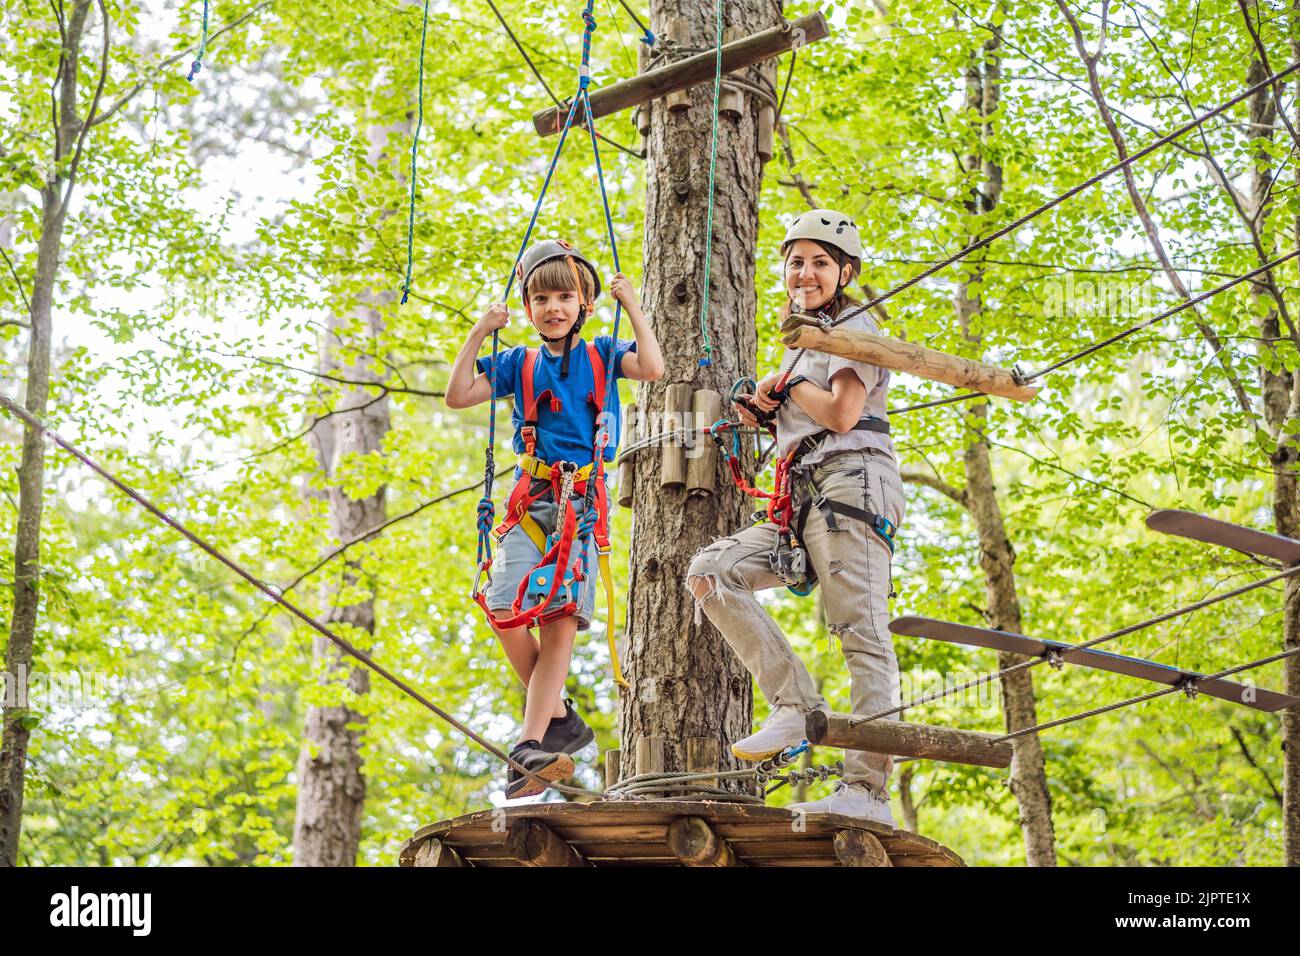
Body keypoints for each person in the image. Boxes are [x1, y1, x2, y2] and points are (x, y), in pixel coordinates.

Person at [685, 210, 905, 825]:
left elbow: (840, 413)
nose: (805, 273)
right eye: (796, 261)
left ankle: (867, 791)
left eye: (821, 262)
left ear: (845, 272)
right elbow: (807, 414)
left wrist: (783, 388)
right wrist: (768, 409)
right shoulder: (804, 341)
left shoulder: (853, 326)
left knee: (860, 630)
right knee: (711, 572)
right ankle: (795, 705)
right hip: (804, 491)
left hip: (852, 483)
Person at [445, 239, 664, 798]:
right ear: (526, 306)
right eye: (540, 298)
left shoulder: (602, 355)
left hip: (580, 505)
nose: (552, 307)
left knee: (559, 621)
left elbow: (654, 367)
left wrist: (632, 303)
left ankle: (530, 743)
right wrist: (478, 331)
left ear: (584, 304)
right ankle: (560, 719)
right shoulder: (517, 362)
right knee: (502, 606)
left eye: (564, 296)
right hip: (531, 496)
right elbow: (458, 395)